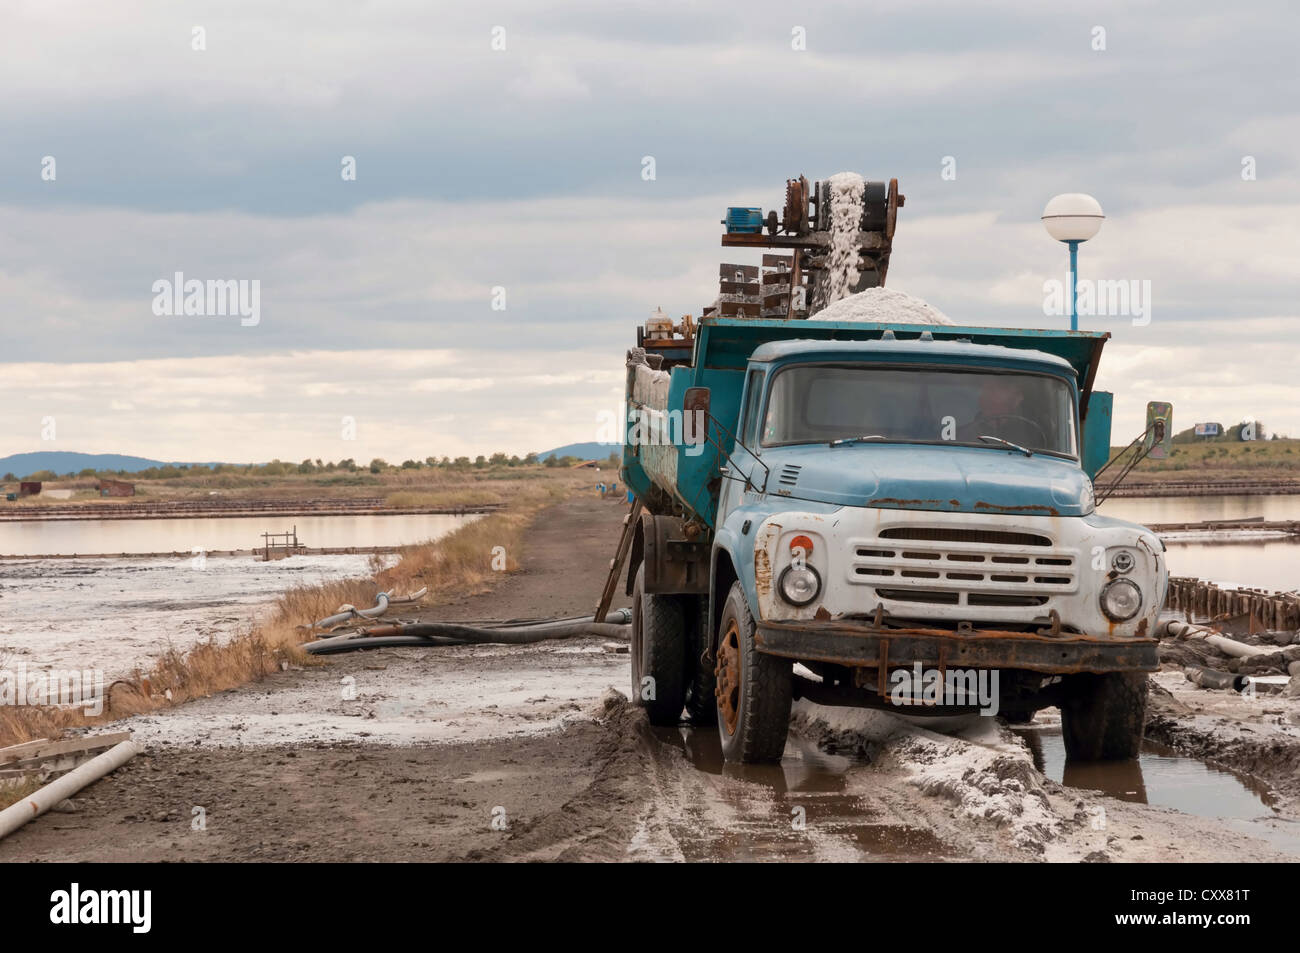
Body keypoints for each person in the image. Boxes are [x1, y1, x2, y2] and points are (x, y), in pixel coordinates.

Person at [956, 378, 1042, 447]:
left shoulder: (1033, 435)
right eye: (987, 388)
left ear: (1018, 398)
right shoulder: (961, 435)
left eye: (1001, 387)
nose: (988, 394)